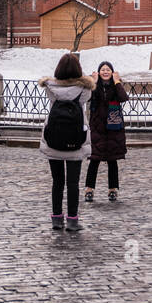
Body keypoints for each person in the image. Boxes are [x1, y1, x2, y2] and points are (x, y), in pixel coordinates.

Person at [38, 53, 95, 232]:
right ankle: (72, 220)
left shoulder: (50, 87)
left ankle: (56, 219)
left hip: (54, 139)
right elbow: (86, 98)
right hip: (75, 140)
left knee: (57, 182)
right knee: (73, 183)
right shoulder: (84, 90)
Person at [84, 61, 128, 202]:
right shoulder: (95, 85)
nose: (105, 72)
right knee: (94, 159)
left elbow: (123, 97)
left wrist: (117, 81)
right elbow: (88, 98)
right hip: (97, 127)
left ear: (112, 72)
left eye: (108, 69)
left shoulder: (116, 85)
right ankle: (89, 189)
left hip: (113, 127)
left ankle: (113, 189)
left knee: (112, 160)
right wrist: (93, 82)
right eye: (102, 69)